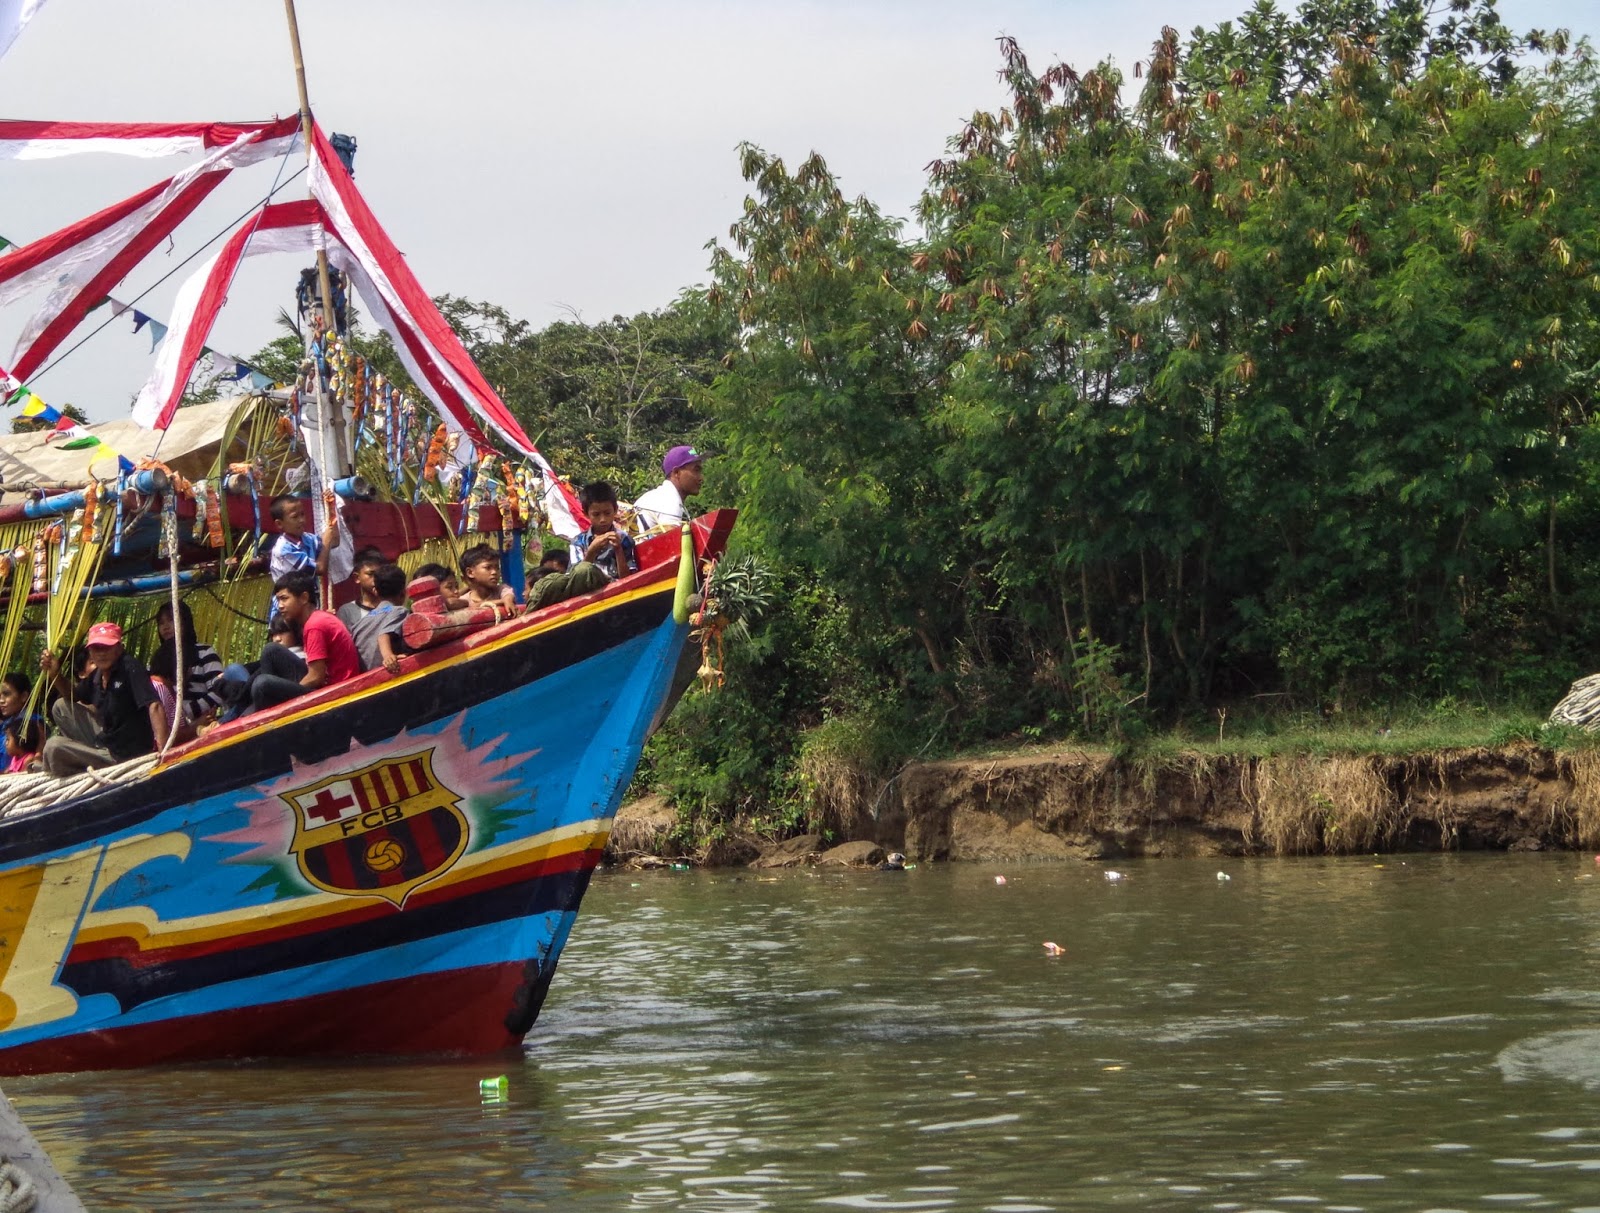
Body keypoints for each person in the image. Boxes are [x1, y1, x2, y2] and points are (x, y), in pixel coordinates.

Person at [40, 621, 167, 776]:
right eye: (96, 648)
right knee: (60, 706)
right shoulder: (97, 675)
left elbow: (154, 705)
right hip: (105, 742)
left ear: (119, 648)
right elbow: (72, 695)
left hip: (124, 754)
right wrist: (55, 674)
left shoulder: (130, 668)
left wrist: (164, 751)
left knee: (53, 746)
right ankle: (84, 758)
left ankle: (76, 766)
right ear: (90, 651)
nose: (101, 653)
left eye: (106, 647)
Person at [247, 571, 361, 713]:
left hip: (333, 692)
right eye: (278, 600)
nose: (280, 606)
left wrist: (288, 698)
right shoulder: (316, 619)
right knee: (271, 650)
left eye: (284, 599)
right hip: (323, 684)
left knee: (262, 684)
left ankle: (267, 713)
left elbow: (316, 677)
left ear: (303, 598)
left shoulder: (315, 625)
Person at [148, 601, 226, 730]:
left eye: (171, 620)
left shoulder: (204, 652)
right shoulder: (157, 659)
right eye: (161, 623)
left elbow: (219, 692)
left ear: (185, 622)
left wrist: (185, 712)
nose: (165, 627)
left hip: (204, 724)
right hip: (168, 728)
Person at [570, 482, 638, 582]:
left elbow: (628, 578)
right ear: (586, 514)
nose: (603, 519)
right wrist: (591, 551)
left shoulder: (624, 539)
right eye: (596, 514)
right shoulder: (578, 542)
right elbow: (575, 579)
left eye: (607, 513)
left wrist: (618, 549)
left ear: (615, 510)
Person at [352, 563, 411, 676]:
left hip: (365, 678)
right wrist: (388, 656)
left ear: (375, 591)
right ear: (403, 592)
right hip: (387, 674)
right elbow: (383, 635)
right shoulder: (400, 611)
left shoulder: (360, 623)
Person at [268, 494, 339, 582]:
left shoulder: (307, 538)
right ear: (279, 524)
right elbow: (320, 569)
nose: (302, 520)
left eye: (302, 514)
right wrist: (326, 542)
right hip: (292, 591)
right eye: (295, 517)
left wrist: (331, 509)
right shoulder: (284, 550)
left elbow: (335, 541)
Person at [633, 444, 704, 531]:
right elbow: (671, 539)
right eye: (696, 470)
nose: (701, 478)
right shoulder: (669, 501)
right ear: (676, 473)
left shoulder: (660, 496)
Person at [0, 672, 44, 773]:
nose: (1, 700)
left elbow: (39, 752)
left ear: (24, 696)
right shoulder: (5, 725)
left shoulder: (33, 723)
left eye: (6, 694)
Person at [459, 544, 518, 616]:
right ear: (470, 572)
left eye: (497, 568)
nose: (494, 572)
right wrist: (502, 601)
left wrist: (508, 599)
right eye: (488, 567)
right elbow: (471, 607)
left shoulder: (501, 590)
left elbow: (508, 596)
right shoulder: (463, 601)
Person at [336, 549, 385, 632]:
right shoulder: (347, 612)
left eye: (380, 573)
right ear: (357, 577)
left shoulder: (392, 607)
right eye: (370, 574)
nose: (377, 578)